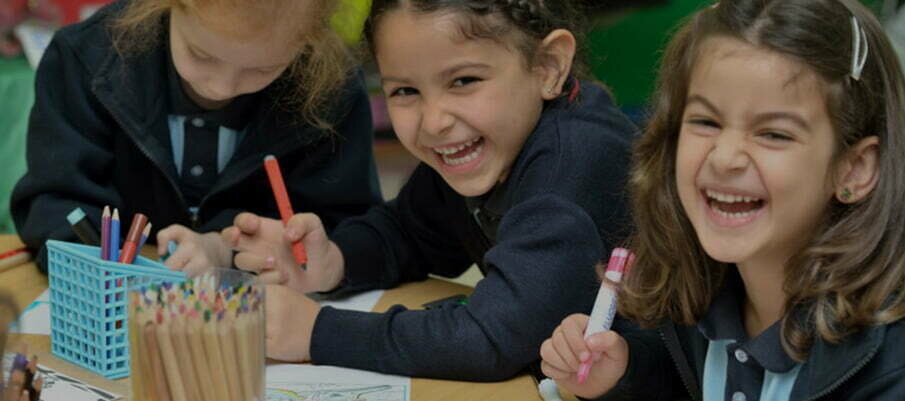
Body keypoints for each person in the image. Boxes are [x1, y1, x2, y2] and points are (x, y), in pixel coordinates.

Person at [223, 0, 637, 381]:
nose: (434, 121)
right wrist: (333, 259)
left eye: (464, 80)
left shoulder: (571, 168)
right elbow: (407, 230)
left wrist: (316, 332)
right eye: (405, 91)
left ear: (548, 67)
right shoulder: (490, 143)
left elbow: (491, 340)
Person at [539, 0, 905, 400]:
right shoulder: (701, 287)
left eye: (774, 134)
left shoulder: (891, 368)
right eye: (706, 122)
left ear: (854, 169)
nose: (725, 157)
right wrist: (623, 375)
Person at [11, 0, 382, 275]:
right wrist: (98, 266)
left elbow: (345, 224)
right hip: (111, 292)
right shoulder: (85, 59)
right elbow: (54, 202)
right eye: (201, 56)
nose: (221, 87)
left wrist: (227, 249)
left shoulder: (331, 87)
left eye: (263, 68)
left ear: (308, 42)